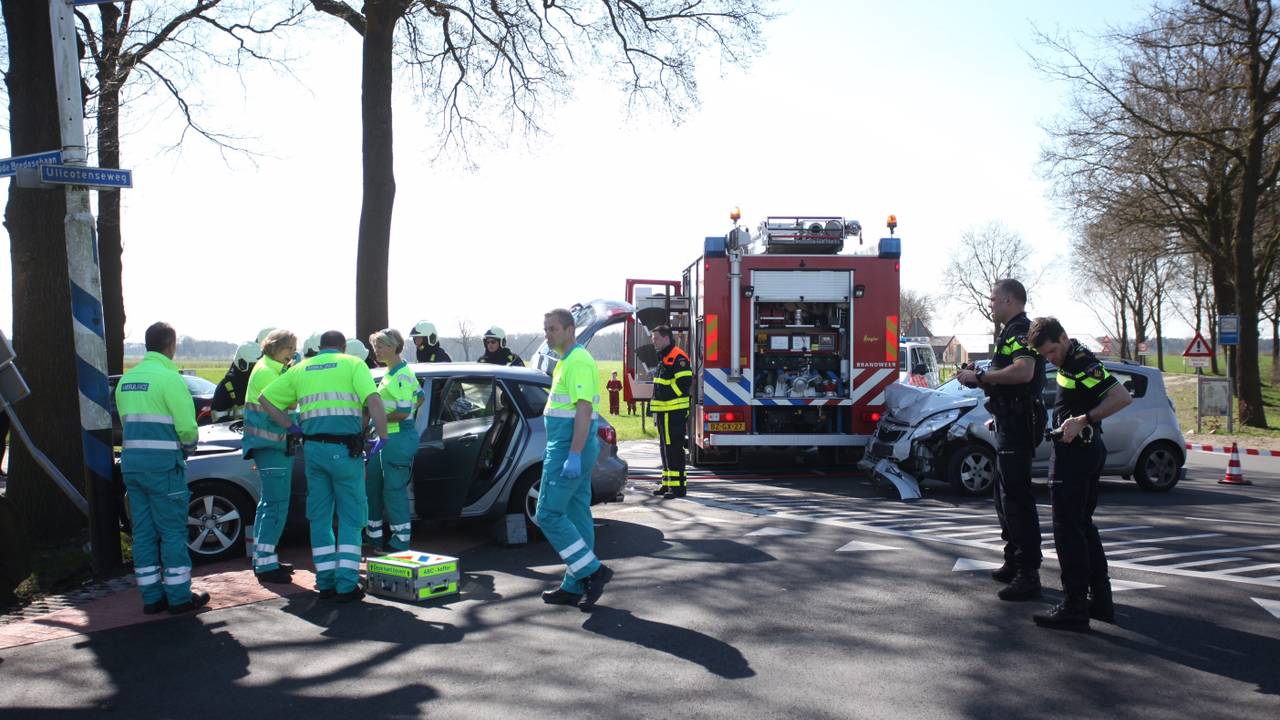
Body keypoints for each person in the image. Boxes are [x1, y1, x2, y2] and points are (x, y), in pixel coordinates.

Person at [259, 330, 389, 603]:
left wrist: (291, 427)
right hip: (345, 451)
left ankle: (325, 581)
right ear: (343, 348)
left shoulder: (302, 367)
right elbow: (373, 400)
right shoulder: (353, 364)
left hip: (313, 451)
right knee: (352, 518)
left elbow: (265, 399)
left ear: (320, 348)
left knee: (319, 517)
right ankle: (346, 586)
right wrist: (383, 435)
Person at [1028, 317, 1131, 631]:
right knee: (1082, 526)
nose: (1051, 358)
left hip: (1076, 455)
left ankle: (1074, 604)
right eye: (1045, 356)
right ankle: (1100, 600)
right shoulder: (1073, 360)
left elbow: (1121, 397)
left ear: (1064, 337)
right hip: (1080, 452)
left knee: (1067, 529)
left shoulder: (1081, 362)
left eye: (1052, 351)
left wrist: (1082, 420)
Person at [955, 278, 1046, 602]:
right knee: (1004, 495)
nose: (990, 304)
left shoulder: (1021, 330)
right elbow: (1006, 374)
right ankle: (1013, 560)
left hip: (1019, 423)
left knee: (1018, 499)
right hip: (1009, 420)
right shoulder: (1009, 331)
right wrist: (977, 376)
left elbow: (1023, 372)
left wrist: (980, 377)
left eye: (993, 299)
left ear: (1010, 300)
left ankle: (1028, 573)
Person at [115, 322, 208, 614]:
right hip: (164, 469)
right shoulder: (170, 379)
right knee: (172, 532)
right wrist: (188, 448)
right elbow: (188, 430)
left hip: (132, 467)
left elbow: (125, 422)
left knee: (143, 532)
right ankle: (179, 597)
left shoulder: (126, 381)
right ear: (171, 345)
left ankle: (151, 598)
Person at [536, 308, 613, 609]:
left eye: (553, 328)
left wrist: (574, 454)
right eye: (545, 329)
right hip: (570, 446)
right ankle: (574, 583)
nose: (548, 334)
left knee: (548, 514)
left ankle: (593, 571)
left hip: (569, 446)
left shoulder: (578, 360)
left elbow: (583, 410)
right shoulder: (567, 361)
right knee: (577, 512)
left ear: (570, 330)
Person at [242, 329, 298, 584]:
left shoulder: (266, 367)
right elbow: (288, 404)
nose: (292, 353)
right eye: (290, 348)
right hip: (272, 445)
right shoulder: (269, 371)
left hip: (268, 446)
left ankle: (264, 558)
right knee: (276, 505)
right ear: (277, 347)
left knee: (268, 504)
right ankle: (265, 566)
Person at [365, 328, 420, 552]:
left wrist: (378, 420)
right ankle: (374, 537)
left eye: (379, 346)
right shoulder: (394, 372)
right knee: (373, 485)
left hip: (397, 436)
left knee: (393, 490)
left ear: (392, 347)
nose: (375, 350)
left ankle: (400, 542)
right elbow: (421, 397)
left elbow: (403, 411)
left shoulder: (400, 375)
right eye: (375, 346)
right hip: (388, 436)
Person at [649, 326, 692, 499]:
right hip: (664, 411)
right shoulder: (664, 357)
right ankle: (668, 484)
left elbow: (684, 383)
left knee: (674, 449)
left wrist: (665, 396)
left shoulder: (677, 357)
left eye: (656, 339)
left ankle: (678, 488)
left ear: (666, 338)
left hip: (673, 411)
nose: (654, 342)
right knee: (665, 448)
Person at [210, 341, 261, 421]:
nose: (255, 369)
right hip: (233, 432)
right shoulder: (225, 387)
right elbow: (218, 420)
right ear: (242, 363)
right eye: (252, 365)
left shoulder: (260, 382)